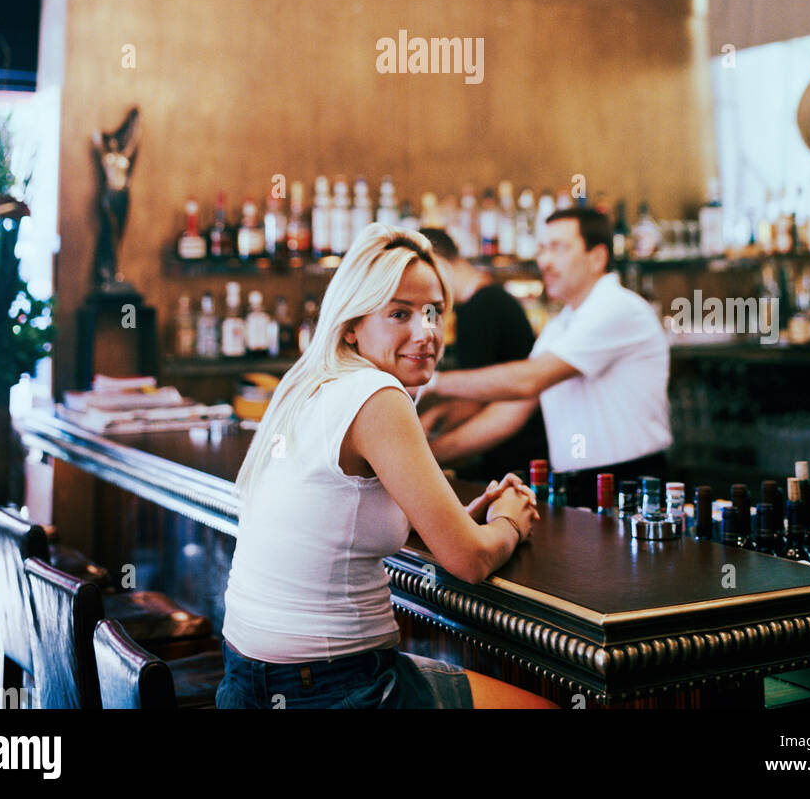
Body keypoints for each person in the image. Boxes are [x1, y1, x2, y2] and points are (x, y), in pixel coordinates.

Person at [217, 223, 555, 709]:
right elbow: (470, 562)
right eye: (400, 313)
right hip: (334, 687)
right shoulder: (376, 395)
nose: (427, 332)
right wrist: (508, 522)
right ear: (352, 324)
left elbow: (342, 517)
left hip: (250, 681)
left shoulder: (312, 383)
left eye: (433, 312)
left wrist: (456, 518)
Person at [424, 208, 671, 510]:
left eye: (558, 248)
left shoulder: (618, 309)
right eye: (542, 248)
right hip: (577, 484)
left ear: (597, 257)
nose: (544, 261)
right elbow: (510, 410)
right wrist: (426, 455)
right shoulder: (562, 324)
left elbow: (529, 380)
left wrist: (431, 381)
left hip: (629, 481)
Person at [417, 227, 548, 482]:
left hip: (516, 454)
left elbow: (476, 400)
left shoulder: (481, 309)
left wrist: (431, 431)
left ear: (439, 263)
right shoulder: (487, 301)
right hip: (513, 450)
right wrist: (437, 416)